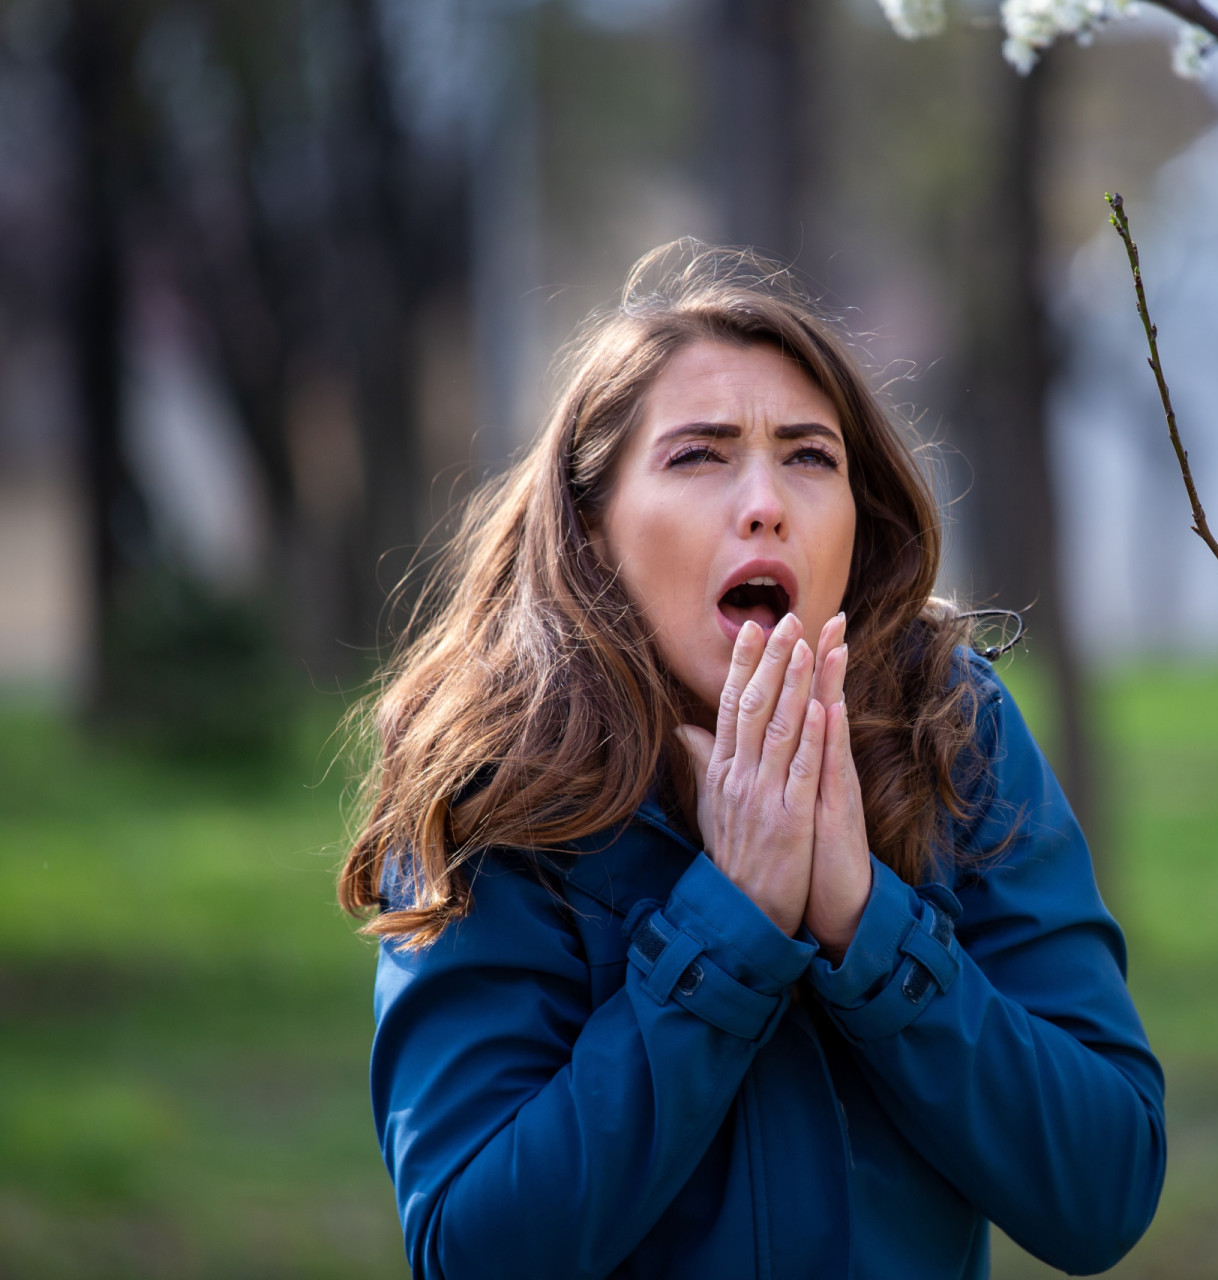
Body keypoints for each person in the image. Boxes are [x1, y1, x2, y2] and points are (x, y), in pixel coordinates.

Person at [338, 241, 1165, 1279]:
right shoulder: (499, 783)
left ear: (857, 531)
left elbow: (1106, 1186)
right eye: (700, 454)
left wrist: (868, 924)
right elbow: (472, 1248)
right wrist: (728, 926)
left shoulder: (954, 731)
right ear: (593, 532)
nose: (766, 499)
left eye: (811, 456)